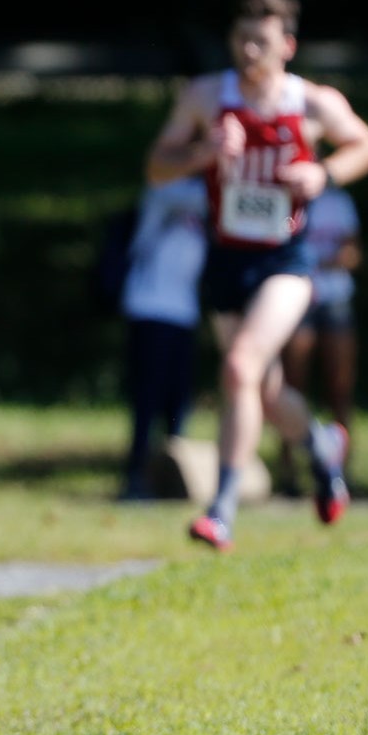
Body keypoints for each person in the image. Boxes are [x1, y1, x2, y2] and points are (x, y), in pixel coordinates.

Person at [146, 0, 368, 552]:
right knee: (266, 391)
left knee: (239, 367)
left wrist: (323, 174)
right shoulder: (206, 97)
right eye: (242, 39)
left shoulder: (312, 103)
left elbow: (367, 147)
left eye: (262, 41)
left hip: (286, 261)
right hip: (228, 258)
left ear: (288, 47)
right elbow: (156, 168)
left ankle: (222, 509)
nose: (249, 51)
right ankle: (322, 445)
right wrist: (203, 153)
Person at [118, 175, 208, 499]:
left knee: (177, 400)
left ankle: (170, 477)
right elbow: (215, 201)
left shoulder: (204, 193)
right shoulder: (163, 187)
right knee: (147, 397)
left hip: (185, 311)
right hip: (150, 306)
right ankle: (135, 476)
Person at [276, 186, 363, 493]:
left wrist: (309, 260)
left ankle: (342, 471)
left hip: (335, 301)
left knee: (340, 388)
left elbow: (352, 254)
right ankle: (288, 471)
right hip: (296, 301)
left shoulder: (339, 202)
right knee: (291, 387)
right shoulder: (286, 198)